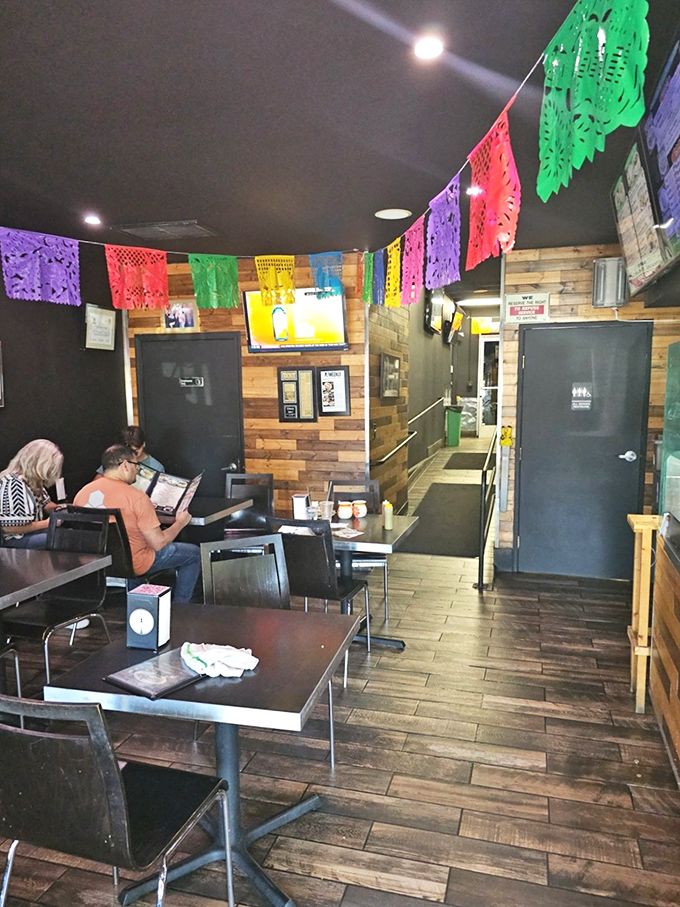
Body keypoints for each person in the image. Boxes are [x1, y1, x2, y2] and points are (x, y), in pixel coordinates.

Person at [74, 444, 200, 602]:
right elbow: (158, 543)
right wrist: (180, 523)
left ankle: (137, 599)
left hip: (95, 562)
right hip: (134, 564)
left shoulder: (82, 493)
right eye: (136, 465)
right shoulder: (136, 497)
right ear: (125, 465)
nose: (138, 470)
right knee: (193, 554)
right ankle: (181, 607)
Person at [0, 439, 64, 548]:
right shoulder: (14, 484)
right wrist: (48, 522)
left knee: (68, 533)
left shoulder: (32, 482)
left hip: (28, 535)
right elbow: (10, 527)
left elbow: (47, 504)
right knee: (62, 539)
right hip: (14, 540)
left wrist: (68, 509)